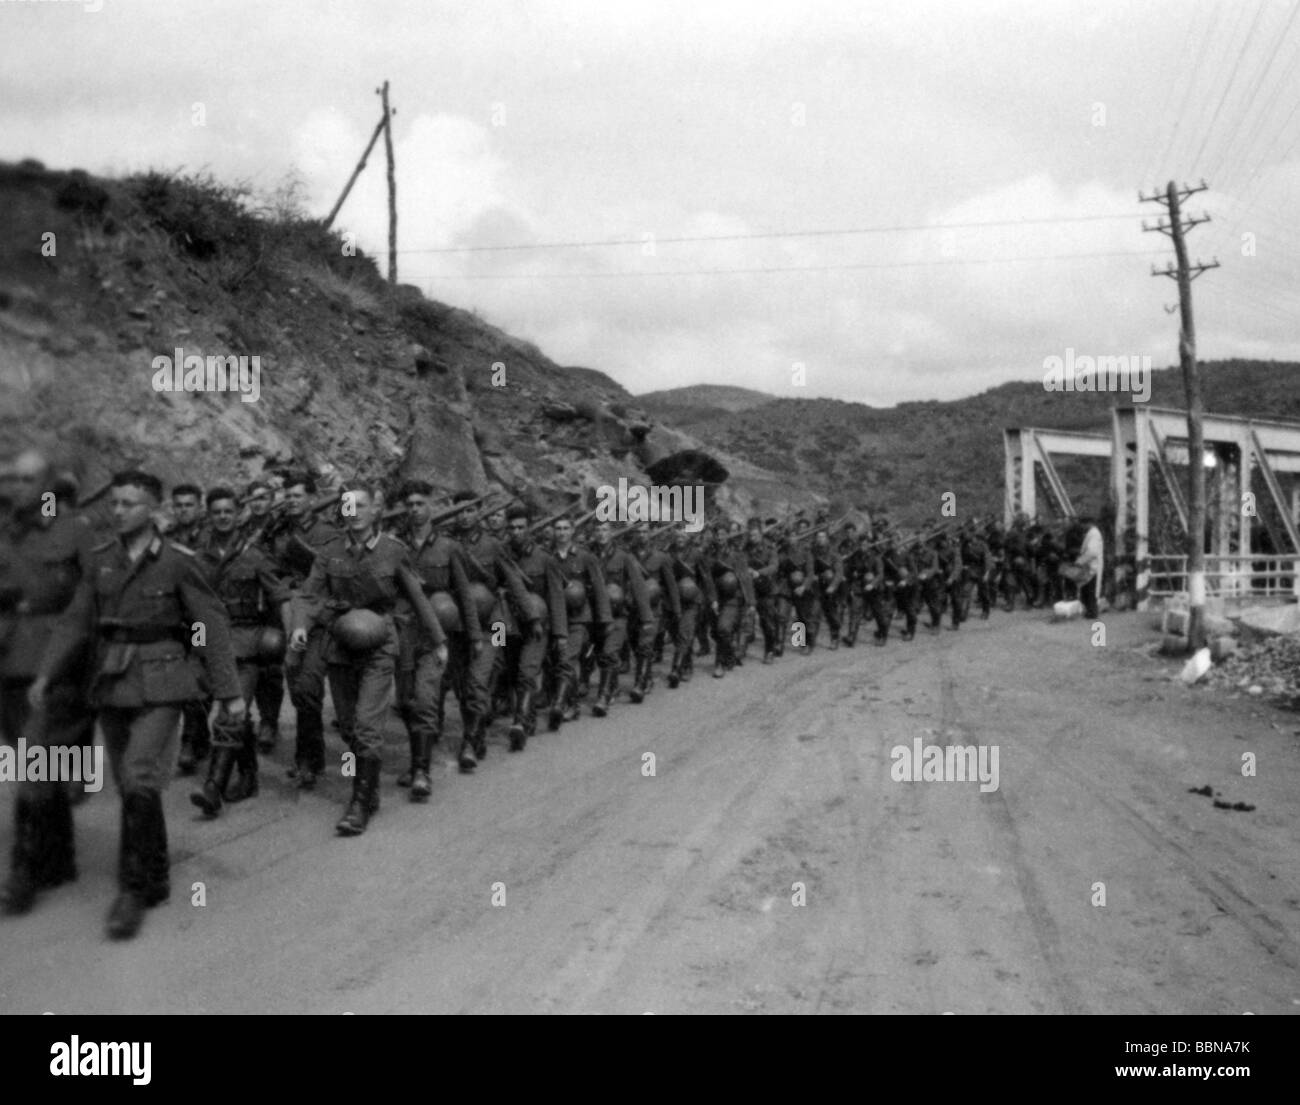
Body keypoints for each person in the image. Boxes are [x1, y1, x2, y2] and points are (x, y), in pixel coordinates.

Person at [31, 470, 245, 939]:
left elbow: (210, 623)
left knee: (138, 773)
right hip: (111, 680)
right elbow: (75, 621)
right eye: (116, 503)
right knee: (132, 786)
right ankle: (156, 876)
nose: (119, 511)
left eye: (130, 504)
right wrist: (46, 673)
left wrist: (228, 692)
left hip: (163, 681)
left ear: (154, 510)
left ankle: (132, 888)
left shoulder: (177, 561)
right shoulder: (102, 559)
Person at [290, 484, 446, 835]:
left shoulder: (393, 551)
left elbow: (416, 595)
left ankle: (360, 802)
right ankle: (368, 789)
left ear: (376, 510)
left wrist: (438, 640)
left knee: (366, 725)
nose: (354, 511)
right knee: (348, 726)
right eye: (348, 505)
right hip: (340, 644)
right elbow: (308, 594)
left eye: (361, 505)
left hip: (380, 645)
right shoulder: (330, 551)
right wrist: (300, 627)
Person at [0, 449, 96, 916]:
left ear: (45, 483)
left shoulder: (74, 529)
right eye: (10, 479)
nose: (14, 487)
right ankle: (59, 859)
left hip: (54, 662)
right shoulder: (7, 529)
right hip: (7, 657)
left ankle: (24, 871)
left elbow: (93, 595)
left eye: (23, 480)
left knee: (31, 765)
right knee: (34, 758)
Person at [190, 487, 292, 816]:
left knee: (231, 714)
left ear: (238, 515)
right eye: (216, 511)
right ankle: (248, 775)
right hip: (213, 646)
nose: (222, 517)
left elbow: (280, 598)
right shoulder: (199, 557)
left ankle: (213, 787)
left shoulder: (255, 555)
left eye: (228, 512)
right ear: (209, 515)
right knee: (237, 715)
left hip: (247, 644)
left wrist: (290, 641)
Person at [1075, 515, 1104, 618]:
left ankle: (1092, 612)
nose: (1082, 527)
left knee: (1091, 590)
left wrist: (1080, 561)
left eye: (1082, 524)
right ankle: (1089, 611)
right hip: (1089, 566)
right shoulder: (1091, 533)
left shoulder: (1094, 534)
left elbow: (1092, 552)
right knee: (1087, 589)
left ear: (1087, 523)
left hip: (1092, 566)